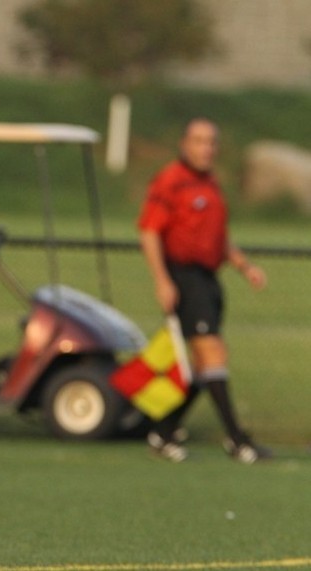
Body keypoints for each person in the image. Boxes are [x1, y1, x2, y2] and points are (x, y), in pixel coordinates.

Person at [137, 117, 271, 464]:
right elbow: (149, 231)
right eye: (199, 141)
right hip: (184, 277)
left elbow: (218, 237)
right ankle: (237, 440)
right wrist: (162, 280)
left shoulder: (210, 184)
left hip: (209, 280)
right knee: (212, 353)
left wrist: (245, 267)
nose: (206, 148)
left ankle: (164, 432)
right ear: (185, 144)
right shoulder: (171, 181)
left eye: (211, 142)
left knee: (203, 366)